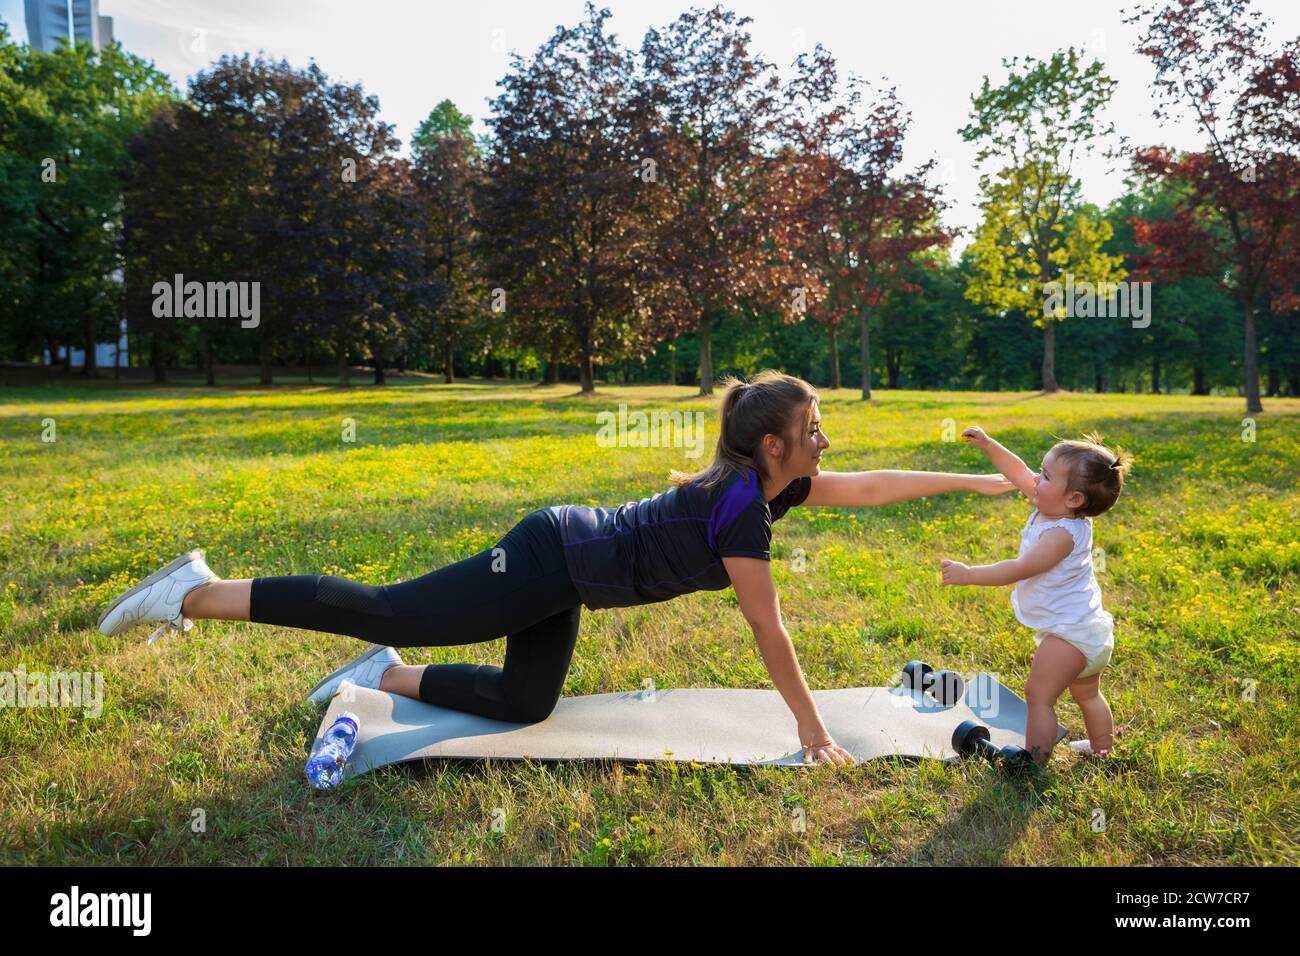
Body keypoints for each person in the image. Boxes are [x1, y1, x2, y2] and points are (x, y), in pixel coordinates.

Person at [97, 369, 1014, 766]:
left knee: (524, 701)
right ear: (774, 443)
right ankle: (193, 588)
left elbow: (871, 485)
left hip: (569, 574)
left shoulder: (771, 482)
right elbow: (769, 630)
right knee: (391, 605)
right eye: (815, 431)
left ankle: (386, 678)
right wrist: (813, 729)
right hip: (548, 558)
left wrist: (974, 484)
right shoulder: (744, 508)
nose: (829, 443)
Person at [940, 426, 1134, 764]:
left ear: (1073, 499)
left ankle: (1034, 761)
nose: (1035, 481)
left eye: (1044, 476)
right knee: (1087, 694)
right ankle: (1102, 750)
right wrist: (988, 444)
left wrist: (969, 574)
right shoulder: (1058, 509)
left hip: (1070, 634)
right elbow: (1017, 470)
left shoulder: (1061, 535)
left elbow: (1019, 568)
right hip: (1085, 630)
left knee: (1038, 696)